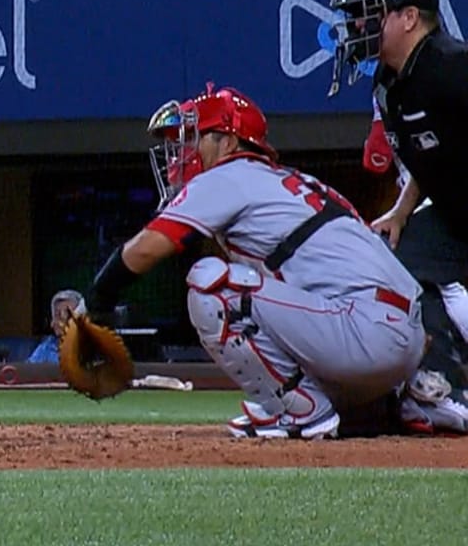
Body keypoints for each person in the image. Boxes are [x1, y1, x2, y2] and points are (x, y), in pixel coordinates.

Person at [84, 85, 425, 439]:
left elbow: (147, 249)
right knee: (265, 286)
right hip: (402, 341)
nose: (181, 153)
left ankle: (299, 410)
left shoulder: (230, 174)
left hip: (363, 335)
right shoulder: (288, 182)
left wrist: (95, 302)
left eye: (194, 139)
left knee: (212, 286)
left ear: (229, 143)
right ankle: (378, 407)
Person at [330, 0, 468, 433]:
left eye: (369, 16)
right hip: (453, 216)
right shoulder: (388, 85)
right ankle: (446, 386)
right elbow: (427, 157)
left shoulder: (452, 67)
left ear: (409, 18)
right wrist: (401, 211)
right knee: (396, 262)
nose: (356, 29)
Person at [26, 289, 85, 365]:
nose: (62, 320)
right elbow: (27, 371)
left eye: (67, 314)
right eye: (57, 315)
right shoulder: (47, 347)